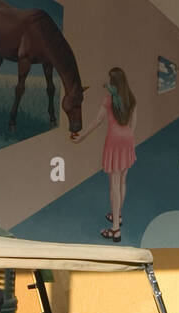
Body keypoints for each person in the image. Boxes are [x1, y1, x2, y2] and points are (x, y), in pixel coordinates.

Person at [72, 66, 137, 243]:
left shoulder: (108, 100)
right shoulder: (131, 99)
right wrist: (128, 140)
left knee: (114, 185)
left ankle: (115, 229)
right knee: (123, 181)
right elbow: (133, 125)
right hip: (128, 140)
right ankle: (118, 215)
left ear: (113, 83)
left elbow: (97, 122)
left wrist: (82, 137)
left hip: (114, 142)